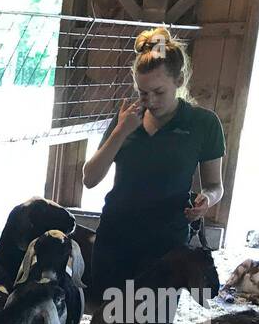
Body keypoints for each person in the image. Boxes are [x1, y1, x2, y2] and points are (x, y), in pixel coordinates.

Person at [83, 26, 226, 304]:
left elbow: (215, 185)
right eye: (142, 92)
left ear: (180, 80)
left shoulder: (203, 124)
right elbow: (90, 178)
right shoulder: (126, 119)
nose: (150, 101)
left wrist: (206, 200)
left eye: (158, 92)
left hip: (165, 245)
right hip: (116, 238)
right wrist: (120, 131)